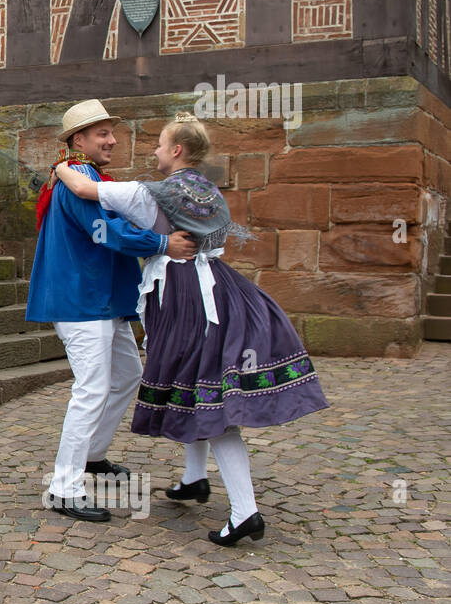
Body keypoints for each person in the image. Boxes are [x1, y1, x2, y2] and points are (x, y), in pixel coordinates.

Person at [54, 113, 328, 545]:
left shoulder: (153, 193)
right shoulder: (209, 191)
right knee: (195, 383)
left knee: (210, 395)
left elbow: (89, 192)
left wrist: (60, 168)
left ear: (177, 150)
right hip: (222, 287)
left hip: (186, 297)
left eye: (160, 145)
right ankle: (194, 478)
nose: (153, 151)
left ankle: (245, 512)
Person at [26, 99, 197, 522]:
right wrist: (162, 244)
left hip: (102, 298)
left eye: (111, 131)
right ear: (78, 140)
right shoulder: (78, 176)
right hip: (83, 299)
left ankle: (92, 456)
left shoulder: (85, 175)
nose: (112, 139)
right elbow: (106, 231)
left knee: (126, 376)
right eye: (102, 133)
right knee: (91, 389)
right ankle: (63, 487)